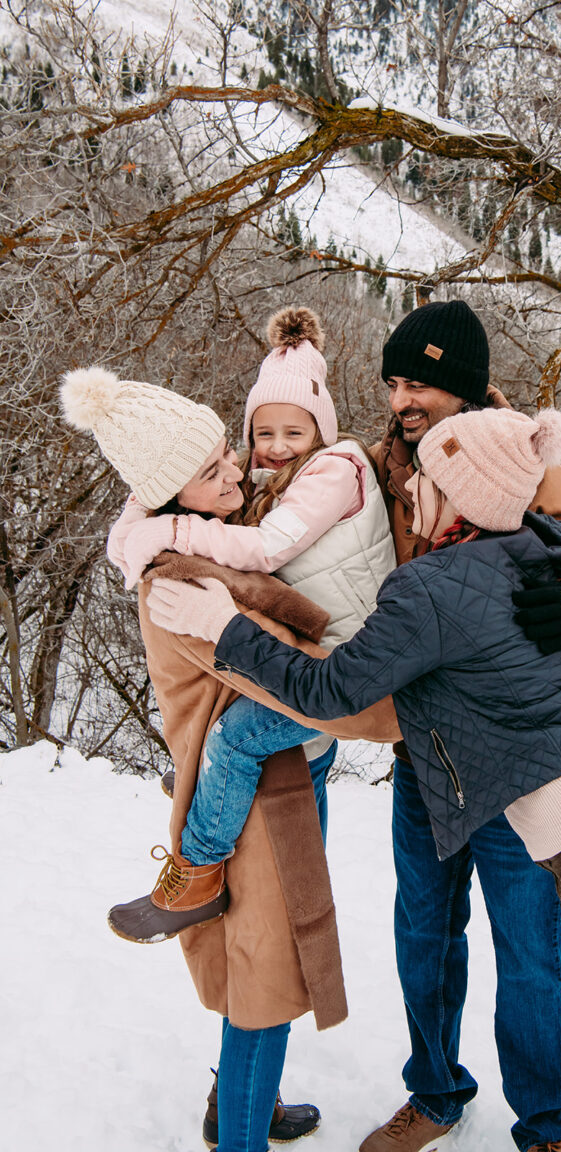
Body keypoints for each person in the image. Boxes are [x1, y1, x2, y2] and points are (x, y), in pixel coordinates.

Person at [146, 404, 561, 1152]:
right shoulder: (537, 541)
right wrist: (525, 452)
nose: (411, 495)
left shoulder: (432, 587)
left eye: (428, 484)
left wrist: (227, 628)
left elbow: (330, 691)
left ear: (463, 494)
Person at [60, 363, 400, 1152]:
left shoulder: (196, 530)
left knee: (261, 956)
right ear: (175, 493)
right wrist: (395, 708)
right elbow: (306, 683)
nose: (239, 470)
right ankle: (241, 1135)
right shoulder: (183, 579)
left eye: (228, 452)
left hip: (274, 779)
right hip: (255, 800)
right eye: (214, 469)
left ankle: (240, 1106)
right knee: (265, 979)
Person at [365, 299, 561, 1152]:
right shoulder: (375, 470)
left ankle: (547, 1125)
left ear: (464, 390)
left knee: (529, 947)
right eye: (395, 382)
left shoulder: (516, 459)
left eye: (421, 384)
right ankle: (436, 1092)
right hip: (422, 753)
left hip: (518, 760)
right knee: (423, 931)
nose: (403, 400)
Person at [101, 307, 395, 940]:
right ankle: (219, 821)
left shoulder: (333, 470)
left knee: (234, 740)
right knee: (277, 824)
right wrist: (141, 507)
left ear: (321, 429)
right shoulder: (267, 474)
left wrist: (167, 527)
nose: (273, 447)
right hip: (311, 662)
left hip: (347, 667)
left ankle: (197, 870)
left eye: (295, 430)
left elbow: (264, 549)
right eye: (263, 433)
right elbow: (175, 481)